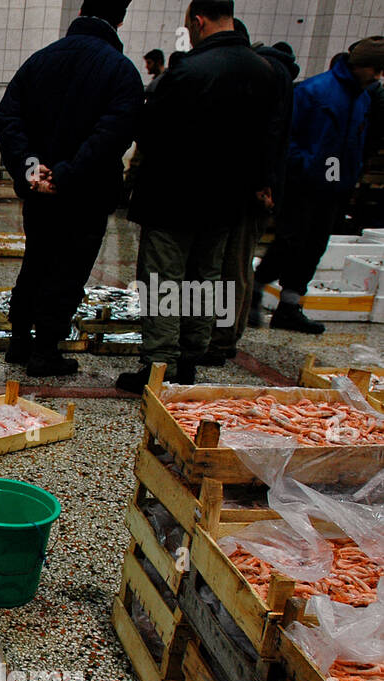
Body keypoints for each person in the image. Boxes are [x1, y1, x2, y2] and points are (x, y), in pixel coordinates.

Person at [117, 0, 280, 394]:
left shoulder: (187, 71)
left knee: (162, 280)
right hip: (227, 199)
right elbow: (270, 137)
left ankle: (158, 365)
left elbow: (150, 131)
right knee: (207, 279)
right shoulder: (265, 71)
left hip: (174, 195)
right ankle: (190, 359)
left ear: (199, 20)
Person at [0, 0, 142, 378]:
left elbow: (8, 116)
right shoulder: (122, 72)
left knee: (37, 260)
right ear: (119, 20)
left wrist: (32, 169)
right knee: (69, 270)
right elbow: (113, 133)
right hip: (85, 194)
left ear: (78, 14)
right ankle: (45, 351)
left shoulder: (40, 60)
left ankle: (19, 342)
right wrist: (67, 174)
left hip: (39, 192)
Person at [253, 36, 384, 334]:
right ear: (361, 65)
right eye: (375, 69)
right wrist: (304, 166)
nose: (378, 76)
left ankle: (290, 305)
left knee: (314, 246)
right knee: (290, 240)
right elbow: (288, 136)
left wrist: (347, 178)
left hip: (333, 187)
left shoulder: (361, 98)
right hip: (303, 184)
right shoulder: (316, 91)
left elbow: (353, 145)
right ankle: (256, 286)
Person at [203, 33, 299, 364]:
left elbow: (267, 136)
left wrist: (263, 183)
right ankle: (227, 333)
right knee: (239, 265)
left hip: (248, 190)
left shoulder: (267, 74)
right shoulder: (279, 75)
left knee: (232, 266)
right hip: (257, 187)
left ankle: (221, 339)